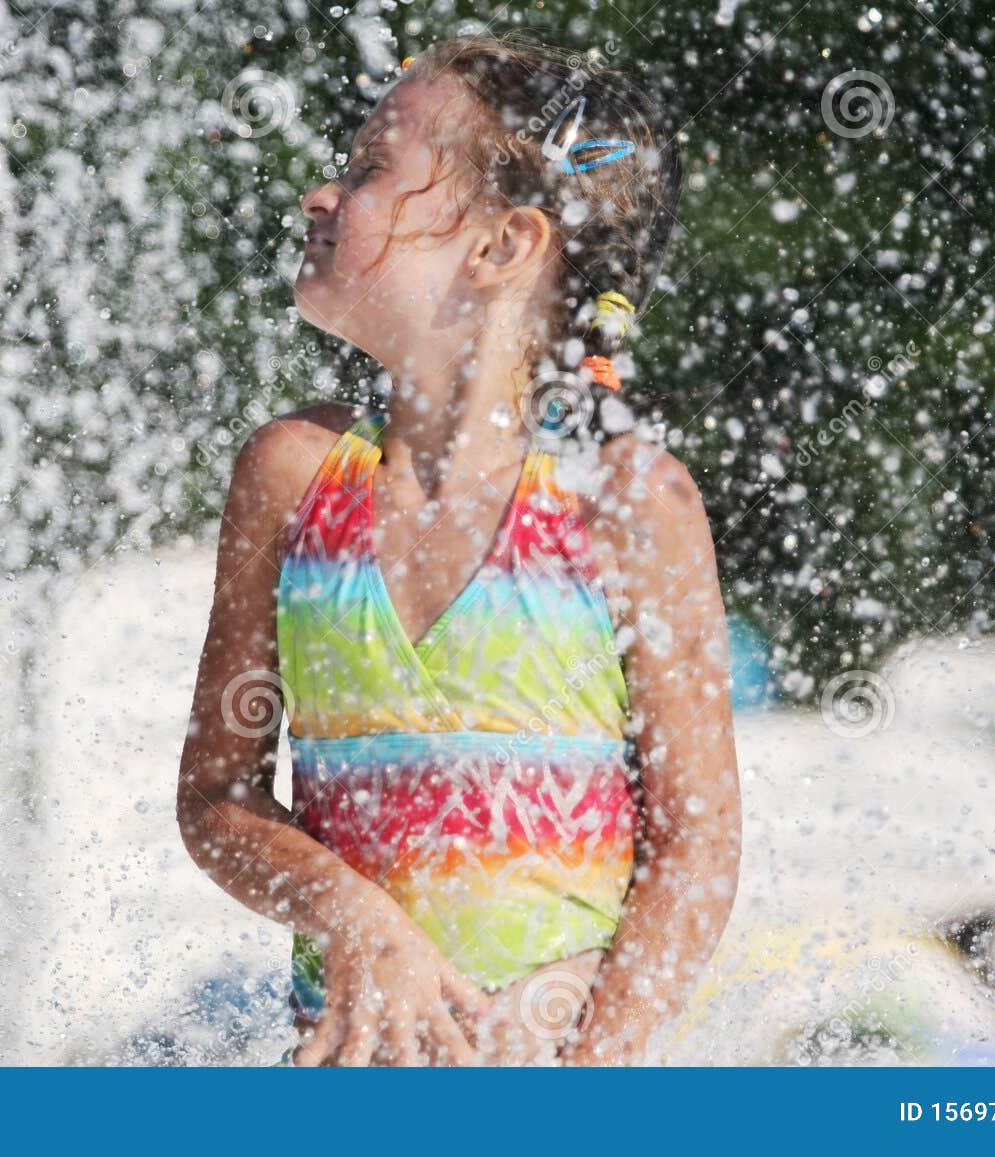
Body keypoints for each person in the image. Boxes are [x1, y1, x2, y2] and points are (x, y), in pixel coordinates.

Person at [176, 33, 741, 1066]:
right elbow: (216, 798)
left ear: (498, 248)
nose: (319, 195)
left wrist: (592, 1071)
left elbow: (695, 848)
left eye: (367, 171)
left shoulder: (621, 503)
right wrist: (354, 918)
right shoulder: (294, 476)